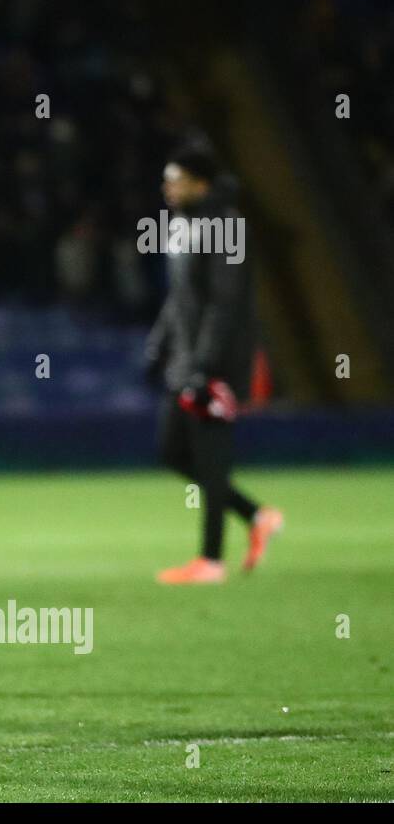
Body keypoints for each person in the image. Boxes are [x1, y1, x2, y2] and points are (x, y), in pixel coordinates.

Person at [145, 146, 283, 584]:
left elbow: (224, 305)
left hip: (216, 363)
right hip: (186, 360)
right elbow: (182, 297)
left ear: (200, 183)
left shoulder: (228, 225)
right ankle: (255, 515)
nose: (168, 186)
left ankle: (211, 560)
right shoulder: (185, 224)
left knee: (210, 460)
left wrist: (205, 366)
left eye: (176, 178)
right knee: (172, 451)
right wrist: (159, 344)